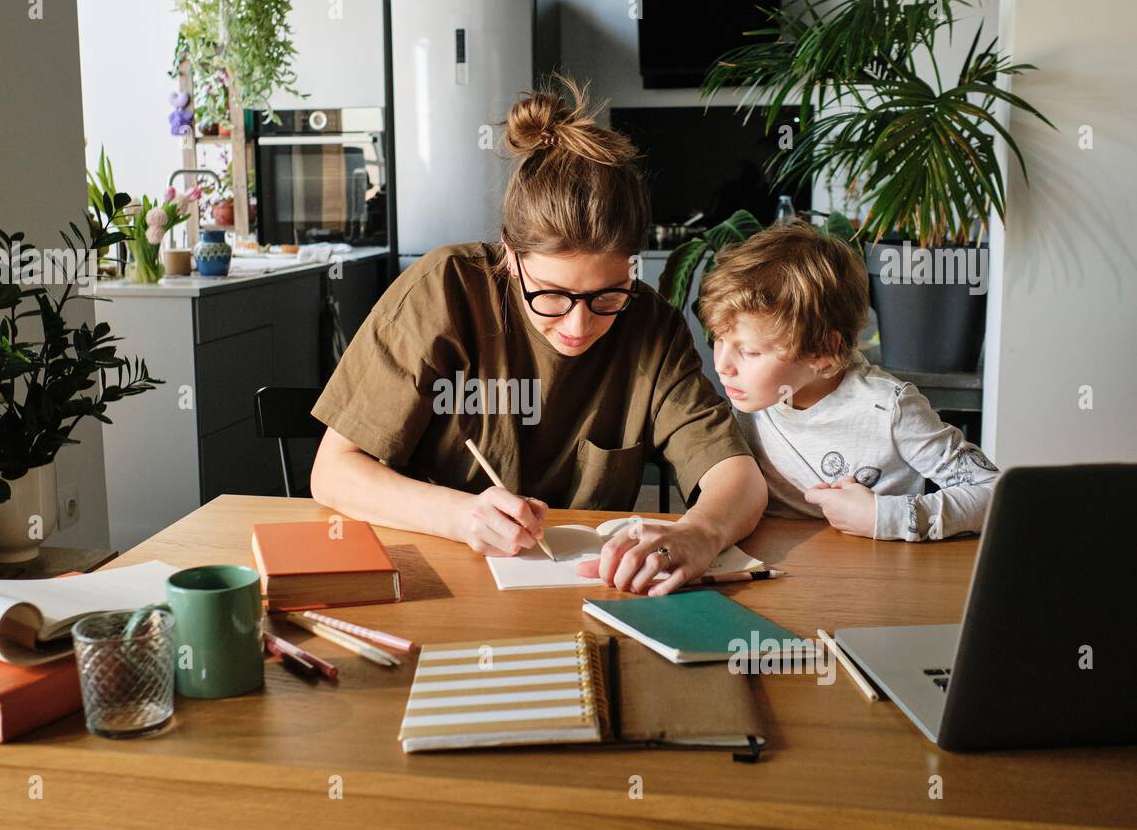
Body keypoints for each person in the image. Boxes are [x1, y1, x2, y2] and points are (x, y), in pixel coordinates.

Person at [309, 77, 767, 595]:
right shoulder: (445, 289)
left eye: (608, 295)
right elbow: (333, 472)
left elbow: (737, 475)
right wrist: (460, 516)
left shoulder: (651, 326)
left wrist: (700, 532)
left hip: (587, 591)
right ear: (510, 254)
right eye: (550, 295)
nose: (579, 326)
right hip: (437, 578)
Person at [698, 220, 1000, 541]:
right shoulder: (749, 397)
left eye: (748, 351)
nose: (722, 365)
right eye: (719, 339)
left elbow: (993, 492)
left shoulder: (889, 408)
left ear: (822, 351)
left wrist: (884, 517)